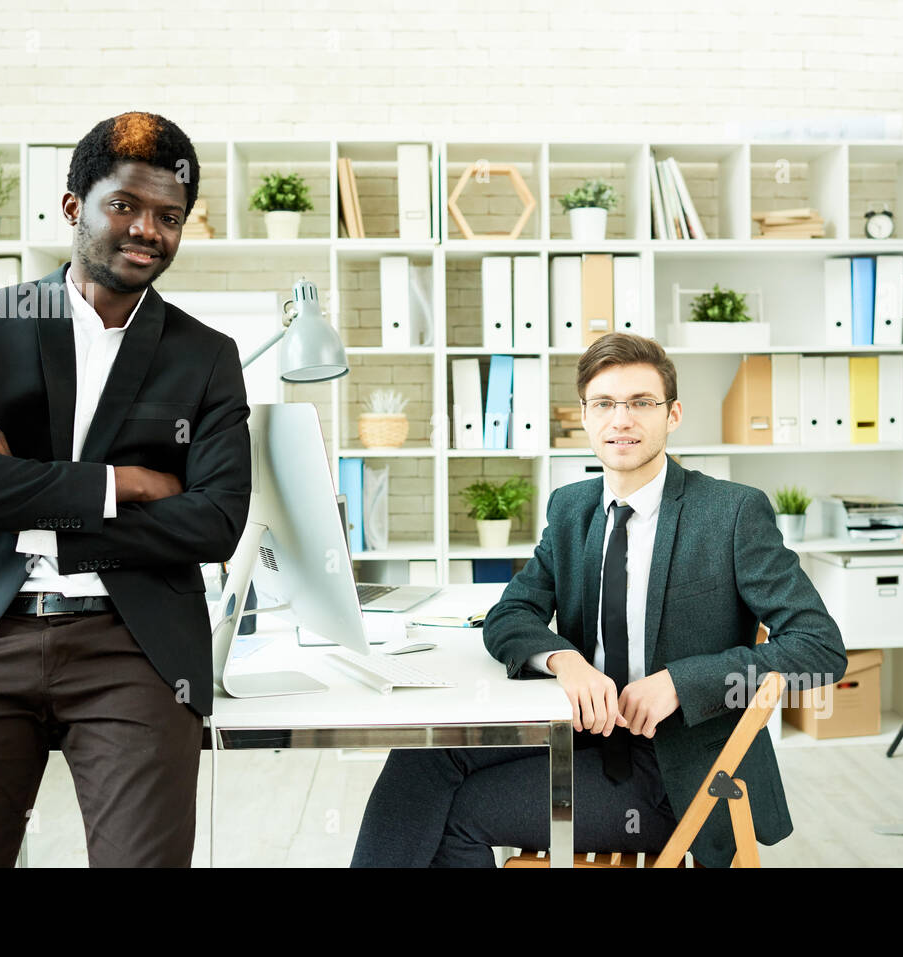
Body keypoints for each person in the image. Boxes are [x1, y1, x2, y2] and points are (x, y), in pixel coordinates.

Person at [0, 111, 252, 867]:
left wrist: (20, 492)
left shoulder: (206, 357)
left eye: (170, 216)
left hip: (134, 644)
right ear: (74, 206)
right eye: (126, 205)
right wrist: (121, 484)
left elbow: (214, 523)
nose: (149, 230)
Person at [351, 333, 846, 868]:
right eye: (605, 404)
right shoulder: (572, 508)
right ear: (584, 417)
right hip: (580, 732)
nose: (622, 420)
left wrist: (683, 682)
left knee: (462, 811)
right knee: (422, 758)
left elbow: (820, 651)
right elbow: (511, 614)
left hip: (675, 775)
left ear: (672, 414)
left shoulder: (730, 513)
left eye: (640, 403)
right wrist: (566, 662)